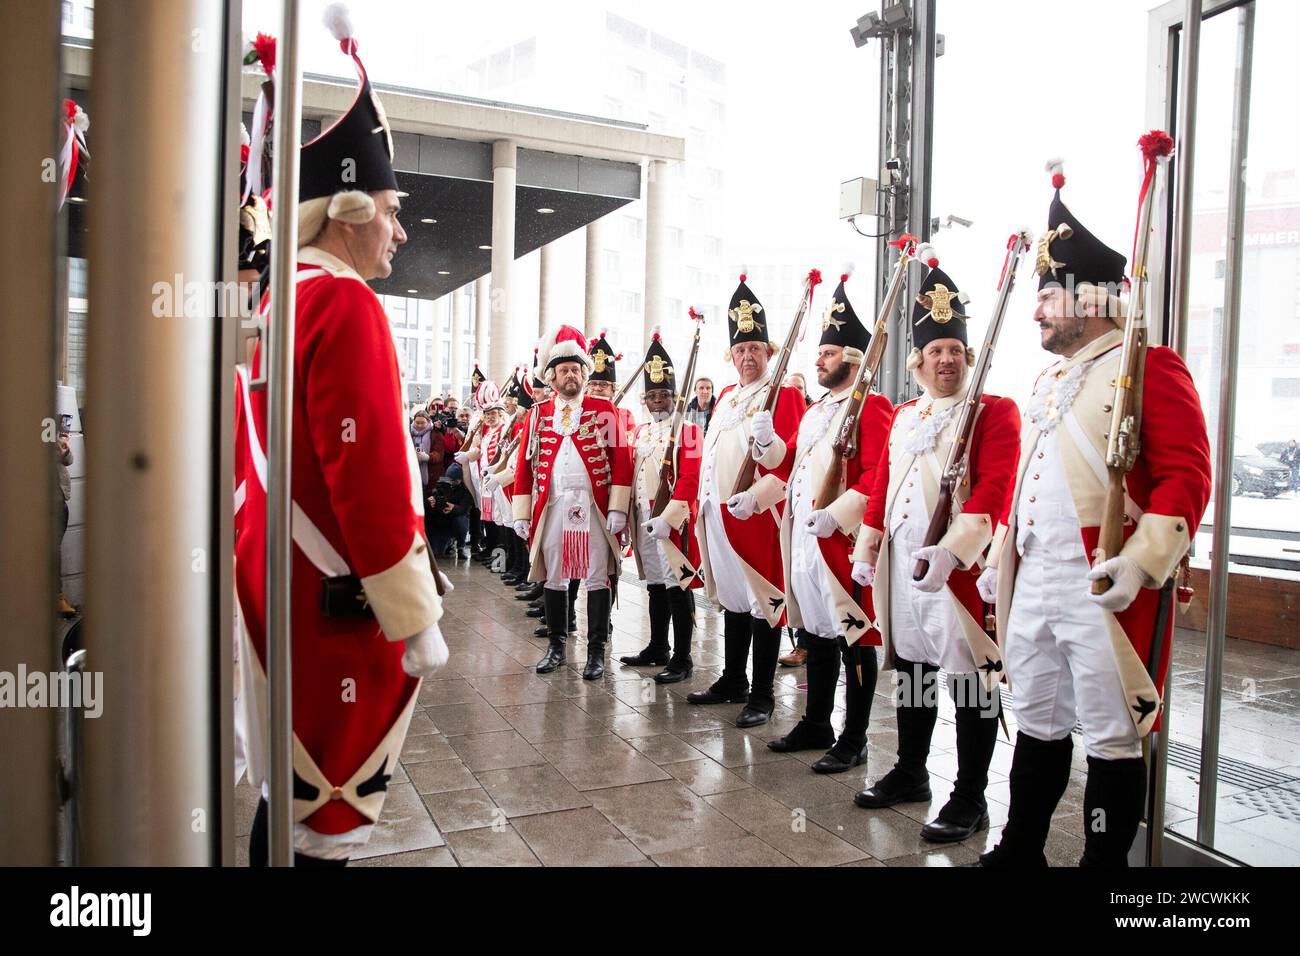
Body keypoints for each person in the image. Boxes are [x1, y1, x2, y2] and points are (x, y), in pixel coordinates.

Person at [234, 5, 447, 867]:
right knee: (320, 819)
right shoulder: (346, 303)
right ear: (351, 209)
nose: (399, 230)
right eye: (392, 211)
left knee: (278, 801)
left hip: (277, 587)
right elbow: (365, 477)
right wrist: (412, 612)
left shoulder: (282, 301)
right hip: (331, 607)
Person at [977, 154, 1212, 868]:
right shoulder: (1051, 379)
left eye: (1050, 296)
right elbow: (1031, 484)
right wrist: (1000, 560)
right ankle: (1020, 848)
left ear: (1091, 299)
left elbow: (1186, 476)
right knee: (1038, 721)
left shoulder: (1149, 365)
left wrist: (1141, 565)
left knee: (1112, 735)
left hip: (1102, 582)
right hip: (1039, 581)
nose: (1039, 310)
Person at [849, 253, 1021, 844]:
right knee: (914, 667)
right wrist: (869, 546)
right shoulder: (902, 416)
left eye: (956, 350)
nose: (946, 359)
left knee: (971, 676)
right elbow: (882, 485)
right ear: (918, 362)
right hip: (902, 566)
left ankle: (971, 794)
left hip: (958, 569)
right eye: (935, 351)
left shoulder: (993, 412)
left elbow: (997, 486)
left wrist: (954, 549)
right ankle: (911, 770)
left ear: (969, 359)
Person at [766, 270, 892, 772]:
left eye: (829, 353)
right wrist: (763, 443)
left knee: (855, 635)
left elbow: (877, 477)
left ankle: (855, 736)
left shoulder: (873, 406)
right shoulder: (816, 410)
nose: (818, 360)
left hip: (840, 541)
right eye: (819, 353)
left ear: (855, 360)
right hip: (803, 540)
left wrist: (835, 517)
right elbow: (788, 462)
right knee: (816, 633)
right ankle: (817, 721)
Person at [687, 271, 806, 728]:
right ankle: (733, 678)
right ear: (731, 355)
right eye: (740, 349)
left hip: (759, 517)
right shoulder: (727, 399)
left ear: (769, 351)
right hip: (720, 516)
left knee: (763, 601)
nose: (747, 356)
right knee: (735, 599)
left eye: (755, 348)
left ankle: (762, 695)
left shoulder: (783, 394)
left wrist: (756, 498)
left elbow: (787, 461)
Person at [511, 325, 634, 680]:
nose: (571, 375)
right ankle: (556, 646)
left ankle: (596, 651)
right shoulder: (537, 413)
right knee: (553, 576)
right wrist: (522, 513)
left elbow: (621, 459)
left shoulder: (604, 408)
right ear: (552, 376)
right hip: (552, 505)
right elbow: (524, 465)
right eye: (564, 370)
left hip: (594, 506)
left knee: (598, 576)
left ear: (585, 373)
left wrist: (617, 508)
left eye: (577, 369)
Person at [626, 329, 704, 682]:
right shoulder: (641, 432)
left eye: (663, 395)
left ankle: (683, 658)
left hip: (673, 523)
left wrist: (670, 518)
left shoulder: (687, 430)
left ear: (675, 397)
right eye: (652, 396)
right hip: (645, 518)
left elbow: (690, 480)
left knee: (678, 585)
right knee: (656, 583)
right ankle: (659, 646)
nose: (657, 401)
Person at [427, 462, 474, 559]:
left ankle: (460, 547)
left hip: (455, 521)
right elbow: (433, 504)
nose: (451, 483)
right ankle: (448, 543)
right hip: (441, 522)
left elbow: (465, 509)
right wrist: (432, 502)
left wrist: (454, 508)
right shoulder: (440, 485)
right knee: (436, 552)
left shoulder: (466, 490)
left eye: (454, 480)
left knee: (461, 520)